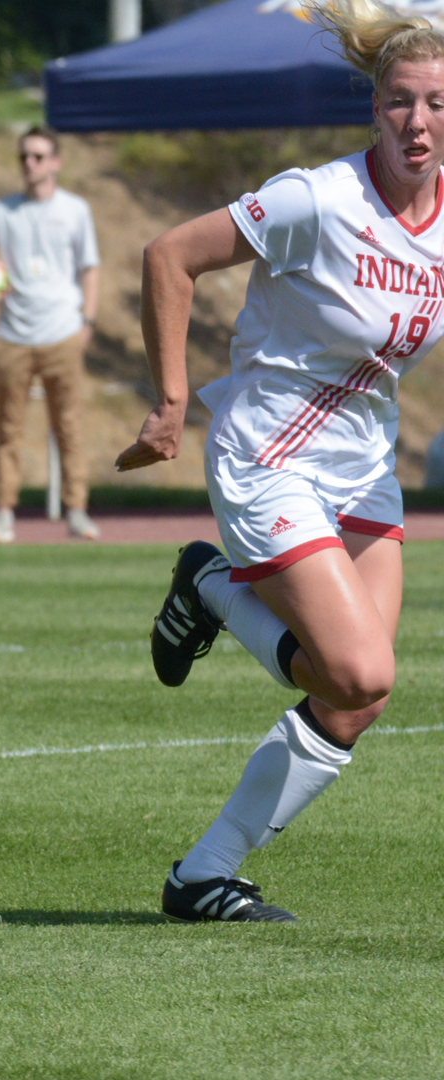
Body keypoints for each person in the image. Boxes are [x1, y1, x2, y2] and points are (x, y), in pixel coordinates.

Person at [123, 0, 435, 922]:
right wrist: (173, 402)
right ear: (372, 109)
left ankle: (202, 875)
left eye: (437, 105)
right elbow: (169, 256)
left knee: (355, 699)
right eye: (399, 103)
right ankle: (215, 587)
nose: (417, 123)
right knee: (361, 671)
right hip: (270, 456)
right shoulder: (318, 198)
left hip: (362, 465)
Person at [0, 126, 103, 543]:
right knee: (8, 428)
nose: (30, 163)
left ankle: (77, 510)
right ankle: (3, 513)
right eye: (24, 156)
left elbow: (90, 268)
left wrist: (88, 321)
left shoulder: (76, 210)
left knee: (69, 425)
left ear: (56, 163)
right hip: (12, 335)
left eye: (39, 156)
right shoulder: (0, 211)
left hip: (62, 331)